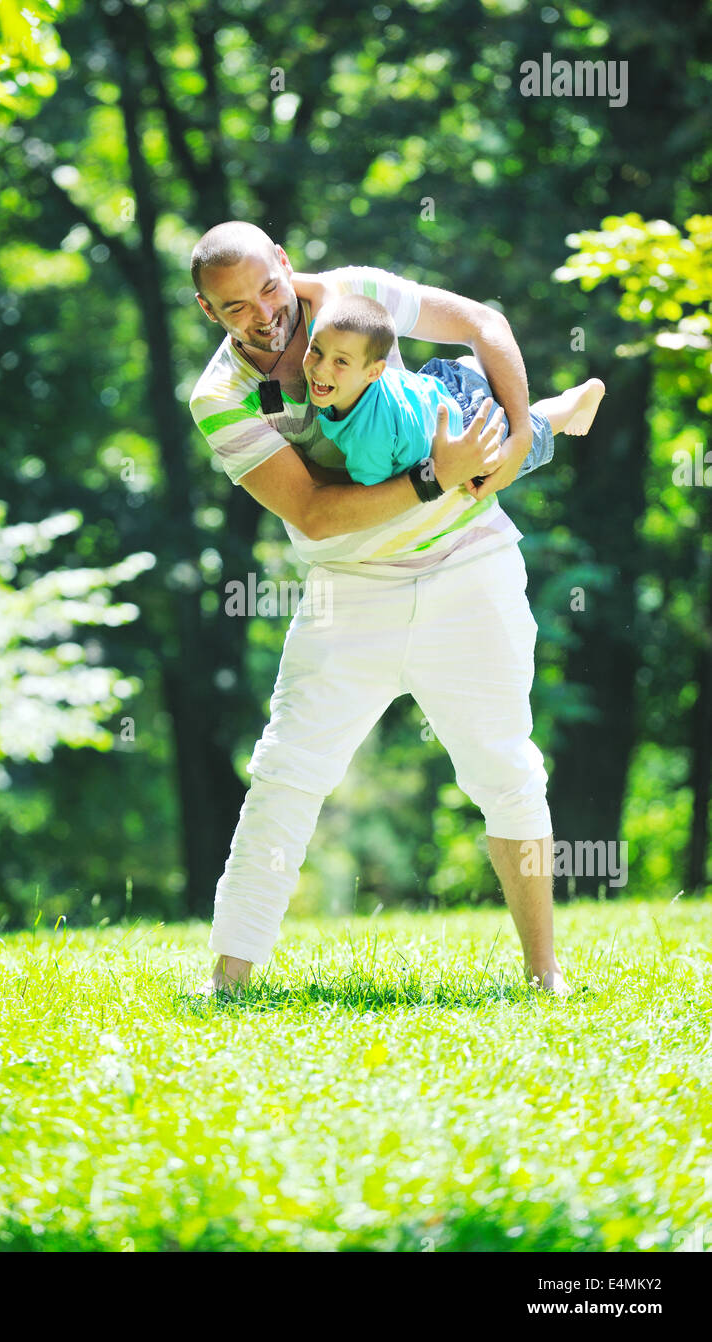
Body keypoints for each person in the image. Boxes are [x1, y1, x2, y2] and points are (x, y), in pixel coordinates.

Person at [188, 219, 572, 998]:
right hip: (349, 591)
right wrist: (438, 474)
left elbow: (484, 324)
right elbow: (318, 513)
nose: (262, 313)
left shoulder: (354, 296)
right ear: (209, 314)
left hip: (472, 565)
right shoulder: (221, 397)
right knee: (286, 772)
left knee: (507, 769)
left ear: (285, 264)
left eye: (267, 286)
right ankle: (229, 983)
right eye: (235, 308)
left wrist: (522, 434)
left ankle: (545, 975)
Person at [296, 285, 604, 487]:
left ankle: (575, 400)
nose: (320, 367)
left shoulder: (367, 440)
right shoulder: (341, 342)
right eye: (316, 351)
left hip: (470, 427)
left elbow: (376, 499)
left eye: (340, 362)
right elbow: (321, 292)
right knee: (476, 388)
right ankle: (478, 373)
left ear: (374, 372)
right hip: (447, 381)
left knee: (515, 448)